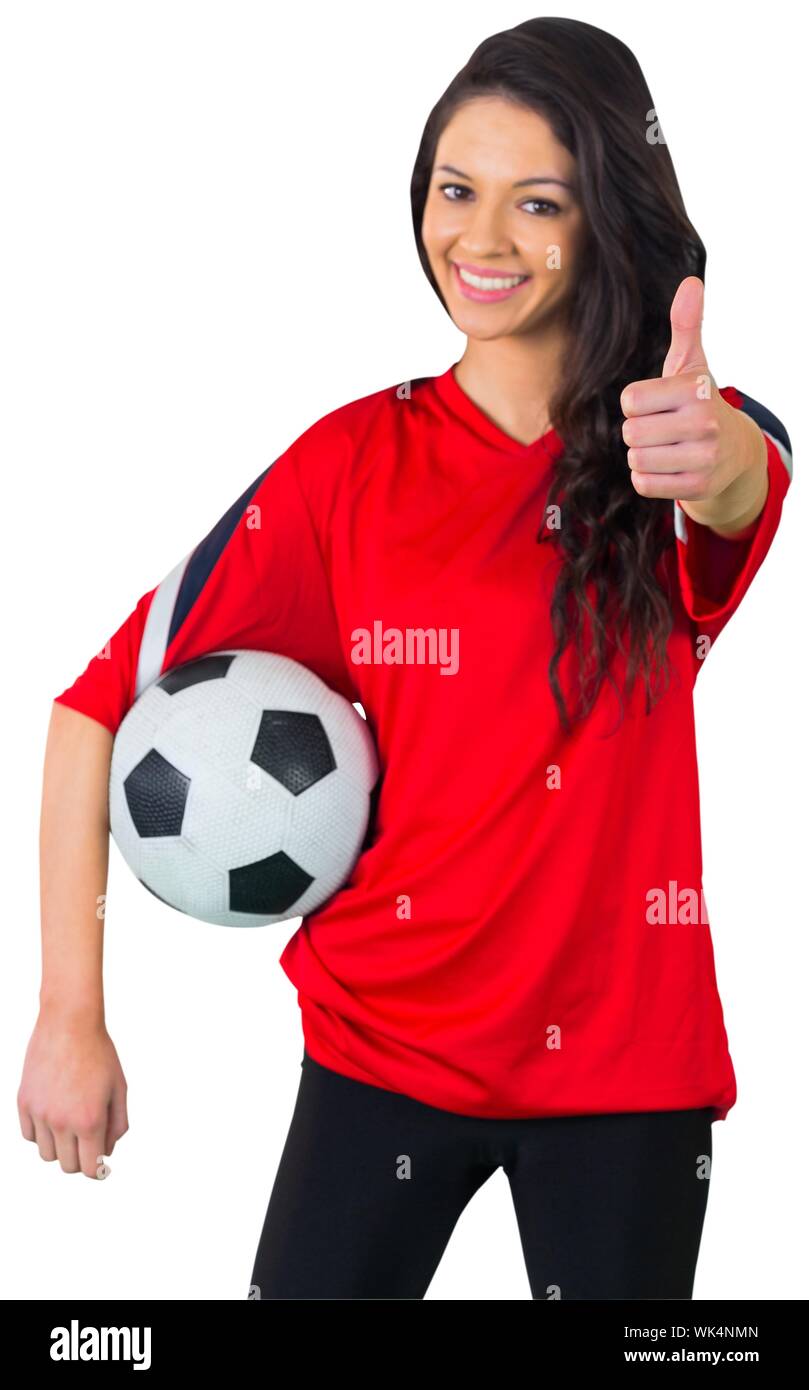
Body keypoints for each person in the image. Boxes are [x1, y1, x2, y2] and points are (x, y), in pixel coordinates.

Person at [19, 17, 792, 1300]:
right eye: (454, 189)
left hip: (621, 1073)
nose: (479, 240)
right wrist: (68, 1015)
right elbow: (91, 709)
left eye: (536, 201)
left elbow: (735, 483)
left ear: (606, 211)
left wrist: (708, 459)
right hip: (380, 1050)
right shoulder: (347, 465)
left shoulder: (677, 444)